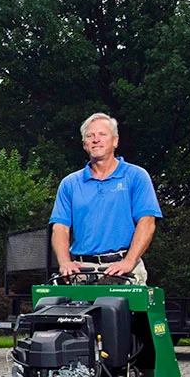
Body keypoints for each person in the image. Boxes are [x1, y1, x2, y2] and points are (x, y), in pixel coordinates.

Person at [50, 113, 161, 285]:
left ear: (115, 140)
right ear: (84, 145)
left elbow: (147, 222)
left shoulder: (136, 176)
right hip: (82, 271)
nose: (96, 139)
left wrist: (129, 261)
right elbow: (60, 228)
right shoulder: (70, 183)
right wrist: (65, 262)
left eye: (103, 134)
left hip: (123, 269)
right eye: (90, 136)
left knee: (120, 312)